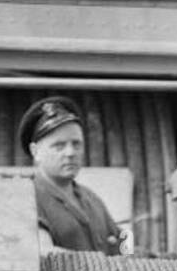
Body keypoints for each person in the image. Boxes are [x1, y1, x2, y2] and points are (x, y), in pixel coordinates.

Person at [17, 96, 126, 256]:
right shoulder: (26, 198)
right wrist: (101, 263)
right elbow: (44, 254)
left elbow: (122, 237)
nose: (70, 153)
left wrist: (132, 257)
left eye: (76, 144)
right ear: (36, 152)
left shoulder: (91, 198)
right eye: (59, 146)